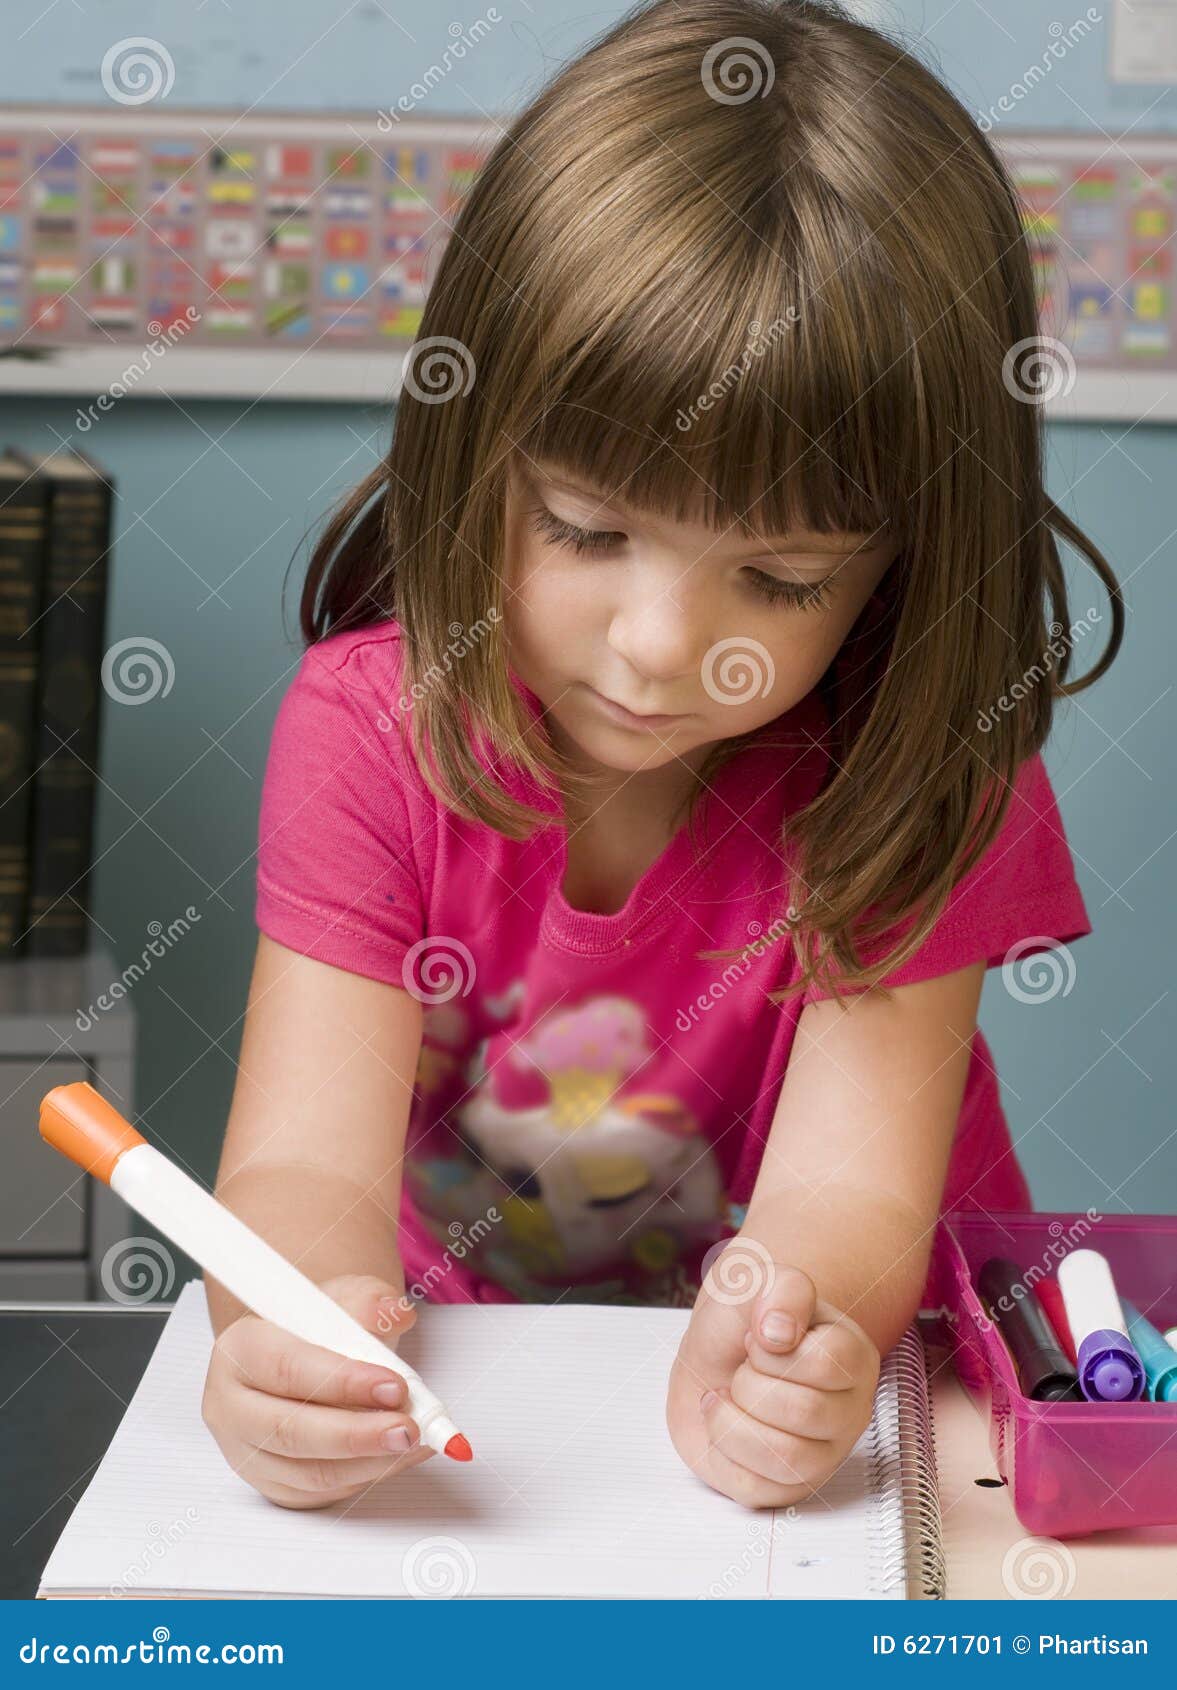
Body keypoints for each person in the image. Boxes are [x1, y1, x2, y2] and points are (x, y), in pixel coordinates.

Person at [201, 0, 1121, 1512]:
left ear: (899, 566)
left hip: (893, 1430)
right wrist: (290, 1323)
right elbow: (300, 1172)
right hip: (481, 1400)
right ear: (471, 449)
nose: (654, 644)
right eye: (584, 531)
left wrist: (789, 1340)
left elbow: (843, 1197)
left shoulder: (924, 770)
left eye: (778, 579)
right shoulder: (369, 726)